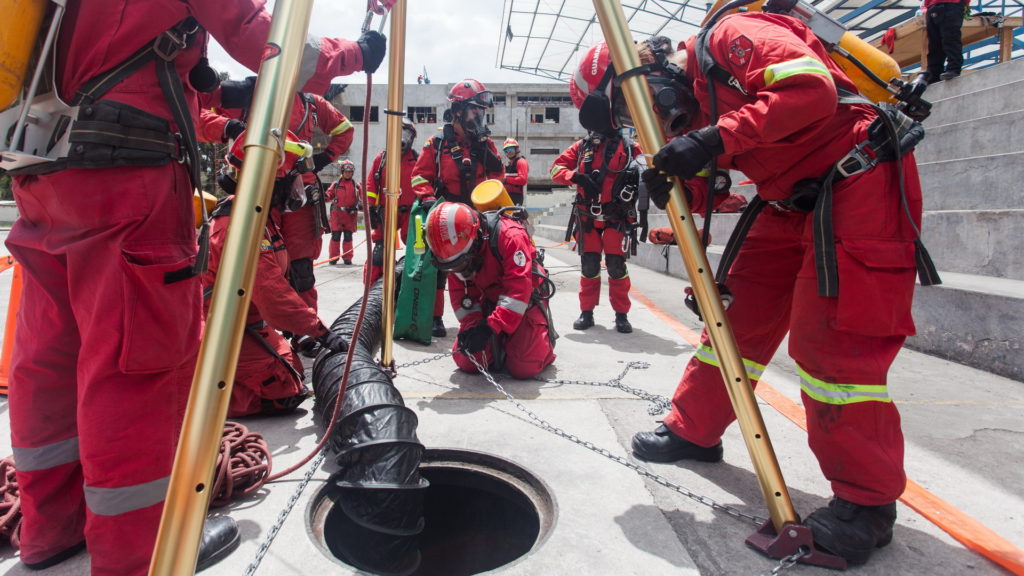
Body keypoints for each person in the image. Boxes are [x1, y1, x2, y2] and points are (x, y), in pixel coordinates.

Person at [2, 1, 387, 573]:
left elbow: (120, 57)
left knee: (51, 361)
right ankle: (142, 554)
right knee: (136, 370)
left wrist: (225, 98)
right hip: (129, 183)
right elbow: (276, 44)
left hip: (44, 174)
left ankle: (48, 530)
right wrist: (356, 52)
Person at [572, 16, 929, 566]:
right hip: (787, 201)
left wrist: (711, 139)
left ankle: (867, 504)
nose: (631, 121)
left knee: (831, 346)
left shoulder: (729, 38)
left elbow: (811, 92)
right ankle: (695, 428)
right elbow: (710, 178)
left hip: (858, 180)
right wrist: (676, 180)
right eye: (622, 120)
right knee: (730, 321)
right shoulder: (691, 109)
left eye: (623, 107)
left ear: (644, 70)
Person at [207, 139, 348, 417]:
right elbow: (272, 293)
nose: (296, 191)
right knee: (283, 388)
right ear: (270, 184)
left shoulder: (261, 218)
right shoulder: (242, 226)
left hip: (244, 323)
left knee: (292, 370)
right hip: (221, 328)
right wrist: (319, 331)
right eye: (292, 183)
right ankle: (199, 393)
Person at [411, 78, 504, 337]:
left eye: (481, 111)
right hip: (445, 214)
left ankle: (483, 314)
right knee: (439, 268)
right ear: (459, 110)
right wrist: (427, 198)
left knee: (482, 265)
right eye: (475, 109)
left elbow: (498, 177)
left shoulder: (485, 143)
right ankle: (436, 317)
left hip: (477, 215)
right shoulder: (437, 143)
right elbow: (419, 176)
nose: (480, 116)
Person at [423, 202, 556, 379]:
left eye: (460, 264)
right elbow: (462, 297)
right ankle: (504, 343)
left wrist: (491, 328)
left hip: (526, 302)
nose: (458, 271)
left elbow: (518, 292)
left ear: (477, 238)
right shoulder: (454, 257)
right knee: (467, 360)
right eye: (452, 267)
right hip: (492, 302)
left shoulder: (510, 237)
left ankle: (541, 342)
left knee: (524, 368)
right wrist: (473, 325)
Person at [550, 130, 642, 334]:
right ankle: (587, 312)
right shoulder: (582, 146)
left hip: (615, 216)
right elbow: (555, 169)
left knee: (616, 267)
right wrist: (576, 177)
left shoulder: (629, 146)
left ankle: (621, 315)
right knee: (589, 266)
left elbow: (648, 168)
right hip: (587, 218)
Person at [365, 117, 419, 284]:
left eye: (407, 133)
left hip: (410, 213)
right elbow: (371, 185)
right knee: (379, 254)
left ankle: (407, 290)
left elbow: (425, 182)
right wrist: (371, 208)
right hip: (385, 212)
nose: (403, 137)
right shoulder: (382, 159)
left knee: (416, 254)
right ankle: (373, 292)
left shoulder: (417, 159)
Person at [326, 159, 361, 266]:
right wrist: (323, 196)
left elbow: (365, 198)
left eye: (350, 172)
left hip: (350, 215)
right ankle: (334, 257)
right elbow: (329, 196)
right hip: (337, 214)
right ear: (342, 172)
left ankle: (347, 257)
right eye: (346, 171)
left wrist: (359, 205)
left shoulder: (356, 185)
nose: (348, 173)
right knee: (335, 235)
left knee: (348, 236)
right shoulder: (336, 184)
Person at [924, 0, 968, 82]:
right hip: (932, 6)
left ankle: (953, 68)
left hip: (951, 5)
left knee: (950, 39)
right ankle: (934, 73)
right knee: (934, 44)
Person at [501, 137, 529, 205]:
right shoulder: (511, 164)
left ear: (516, 149)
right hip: (508, 195)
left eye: (510, 149)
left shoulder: (521, 162)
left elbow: (523, 180)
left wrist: (506, 179)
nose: (509, 152)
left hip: (515, 197)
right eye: (506, 150)